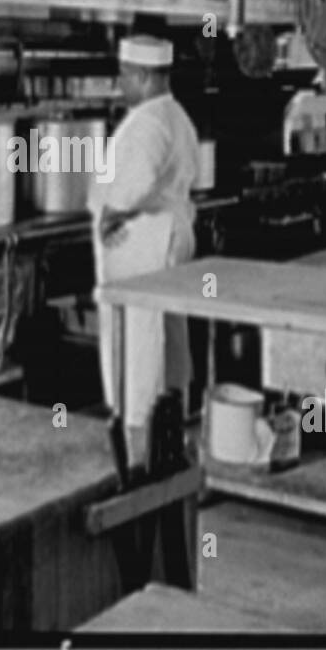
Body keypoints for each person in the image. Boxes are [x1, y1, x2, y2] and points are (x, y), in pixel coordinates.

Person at [88, 35, 199, 458]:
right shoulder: (174, 115)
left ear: (143, 76)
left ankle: (139, 439)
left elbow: (135, 182)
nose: (121, 83)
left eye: (124, 75)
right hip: (167, 234)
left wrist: (112, 213)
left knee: (139, 337)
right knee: (165, 329)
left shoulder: (149, 122)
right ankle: (171, 424)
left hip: (144, 241)